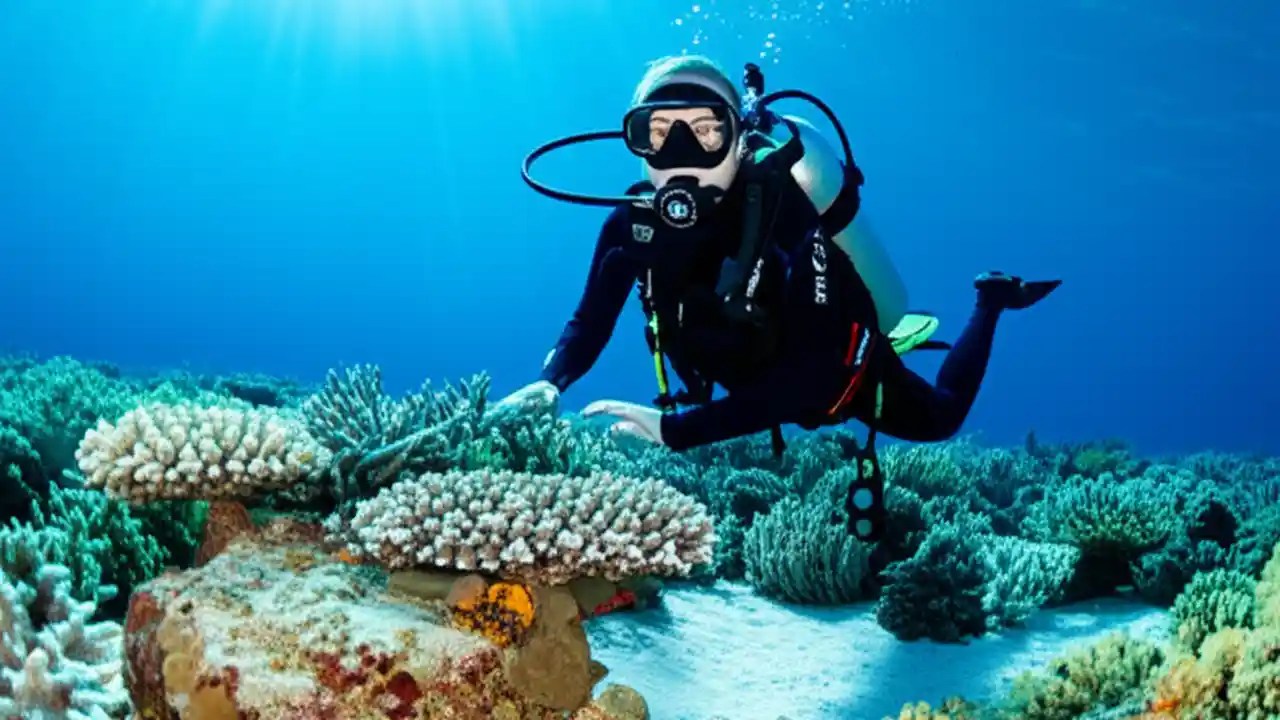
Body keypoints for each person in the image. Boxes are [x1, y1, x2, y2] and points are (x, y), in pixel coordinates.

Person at [507, 54, 1059, 540]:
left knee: (941, 419)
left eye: (705, 130)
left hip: (837, 374)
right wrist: (550, 381)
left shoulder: (782, 213)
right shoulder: (630, 227)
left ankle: (990, 300)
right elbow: (589, 321)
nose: (681, 154)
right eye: (658, 131)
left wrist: (679, 431)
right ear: (637, 145)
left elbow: (812, 380)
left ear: (739, 139)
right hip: (748, 379)